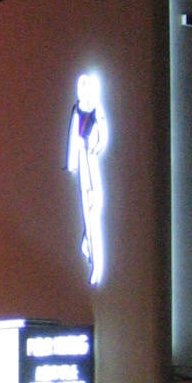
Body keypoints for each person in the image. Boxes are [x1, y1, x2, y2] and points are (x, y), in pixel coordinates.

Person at [66, 72, 108, 285]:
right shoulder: (77, 110)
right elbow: (74, 136)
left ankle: (87, 243)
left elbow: (103, 134)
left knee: (97, 204)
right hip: (83, 159)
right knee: (86, 205)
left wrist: (96, 145)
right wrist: (72, 162)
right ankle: (90, 251)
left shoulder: (96, 109)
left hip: (91, 157)